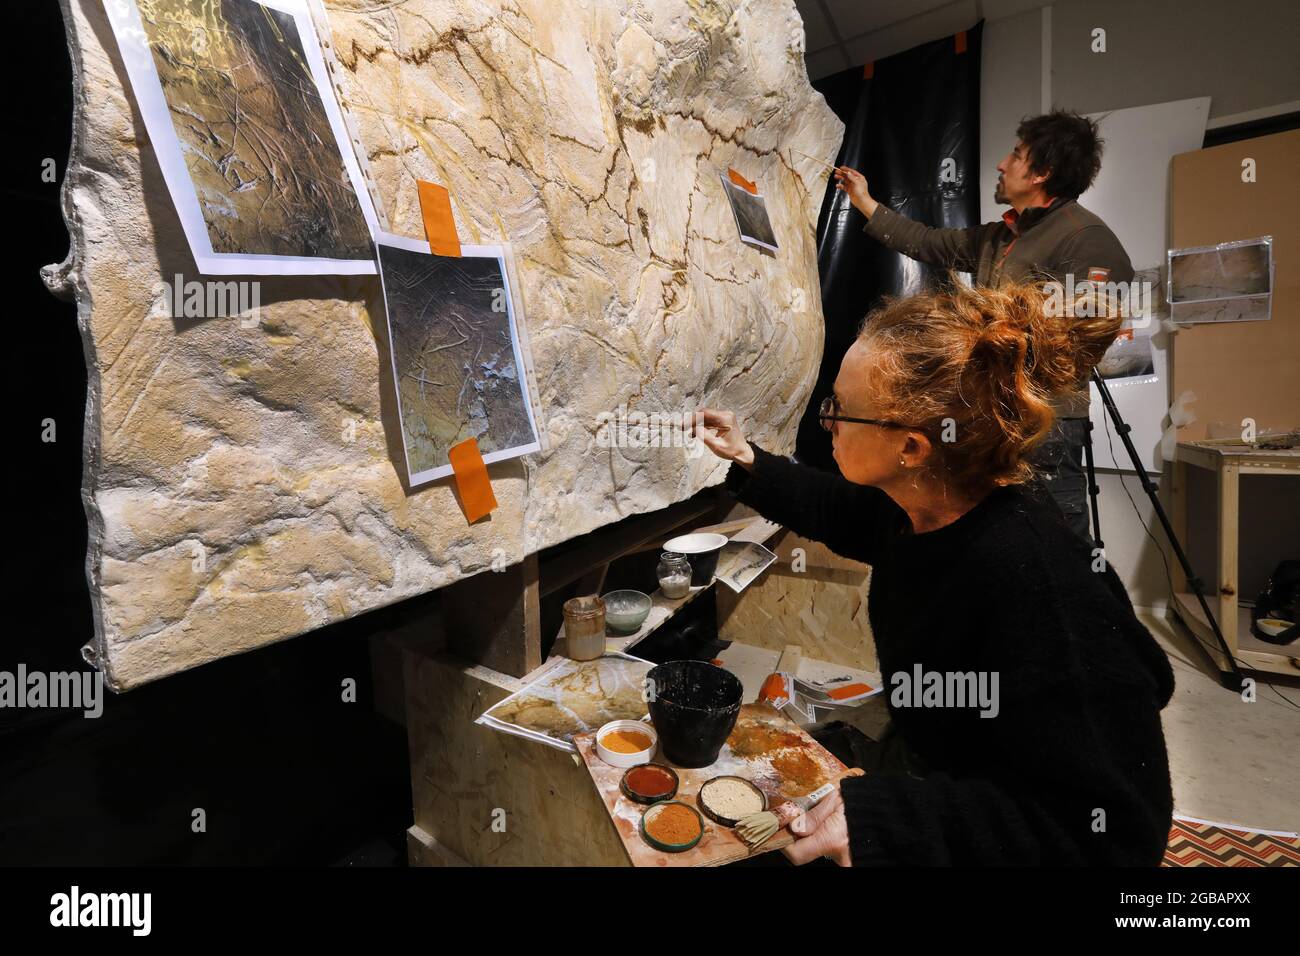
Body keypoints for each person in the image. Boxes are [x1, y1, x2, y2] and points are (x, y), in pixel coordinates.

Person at [693, 279, 1174, 866]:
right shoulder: (924, 505)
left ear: (913, 448)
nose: (830, 422)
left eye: (839, 410)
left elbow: (1115, 835)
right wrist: (748, 459)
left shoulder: (1037, 582)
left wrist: (889, 822)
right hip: (936, 763)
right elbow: (837, 510)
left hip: (981, 817)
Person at [834, 109, 1133, 541]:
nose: (1002, 164)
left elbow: (1090, 323)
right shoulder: (1001, 237)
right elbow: (925, 242)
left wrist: (989, 329)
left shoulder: (1084, 236)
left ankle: (1075, 607)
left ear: (1041, 172)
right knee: (1004, 531)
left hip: (1047, 422)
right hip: (998, 413)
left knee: (1059, 533)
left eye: (1016, 155)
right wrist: (863, 199)